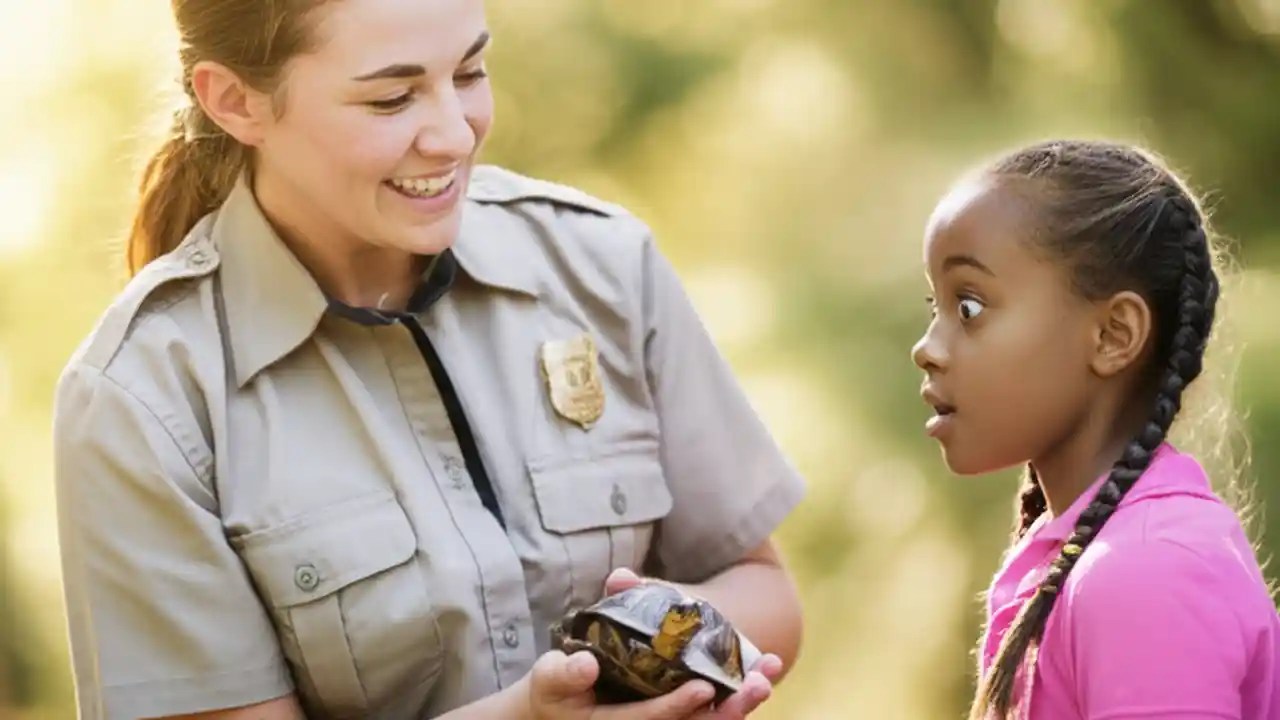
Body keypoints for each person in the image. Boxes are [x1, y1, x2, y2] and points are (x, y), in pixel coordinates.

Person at [51, 0, 806, 718]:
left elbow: (764, 592)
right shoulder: (140, 400)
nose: (454, 134)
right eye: (391, 100)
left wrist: (648, 655)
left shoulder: (604, 265)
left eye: (470, 74)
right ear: (235, 101)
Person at [911, 139, 1280, 719]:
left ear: (1113, 335)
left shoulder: (1147, 571)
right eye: (934, 304)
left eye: (970, 307)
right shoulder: (1101, 555)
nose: (926, 349)